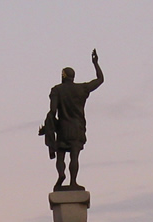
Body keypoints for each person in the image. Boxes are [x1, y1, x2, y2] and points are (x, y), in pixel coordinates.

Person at [38, 50, 104, 189]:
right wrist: (95, 63)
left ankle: (61, 174)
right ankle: (73, 182)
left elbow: (52, 112)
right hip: (77, 127)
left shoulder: (56, 90)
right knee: (74, 157)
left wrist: (48, 127)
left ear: (63, 76)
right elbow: (100, 80)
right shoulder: (82, 88)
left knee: (60, 155)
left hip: (63, 127)